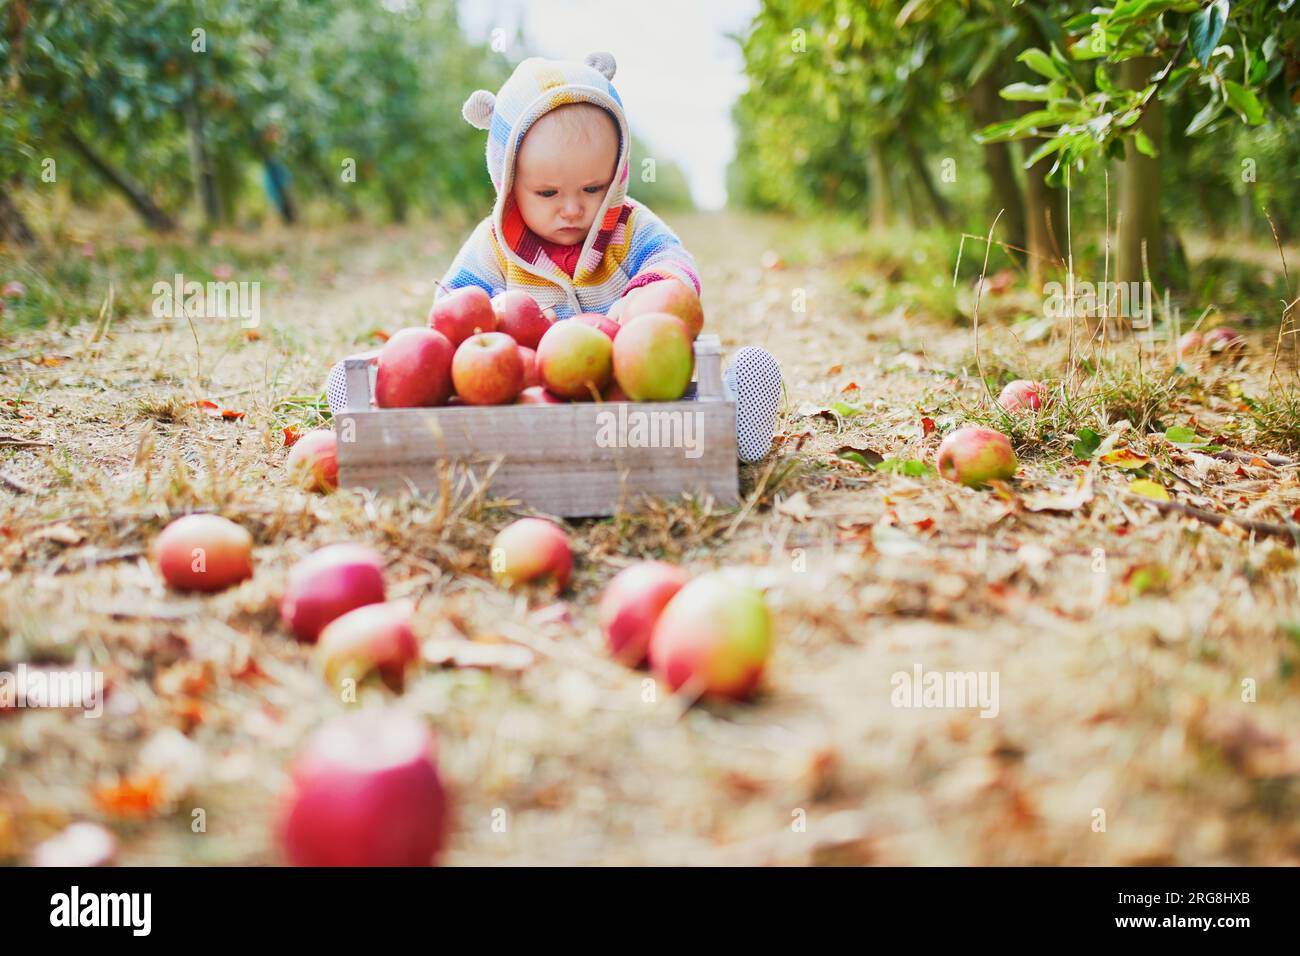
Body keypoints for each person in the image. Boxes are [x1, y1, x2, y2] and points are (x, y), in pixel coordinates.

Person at [324, 51, 782, 462]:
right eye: (547, 192)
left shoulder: (628, 227)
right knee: (445, 393)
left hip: (625, 390)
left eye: (592, 188)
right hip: (523, 397)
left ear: (617, 175)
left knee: (672, 404)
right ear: (508, 181)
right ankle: (375, 397)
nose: (572, 208)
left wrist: (647, 301)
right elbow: (454, 312)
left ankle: (736, 419)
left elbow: (671, 262)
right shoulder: (495, 247)